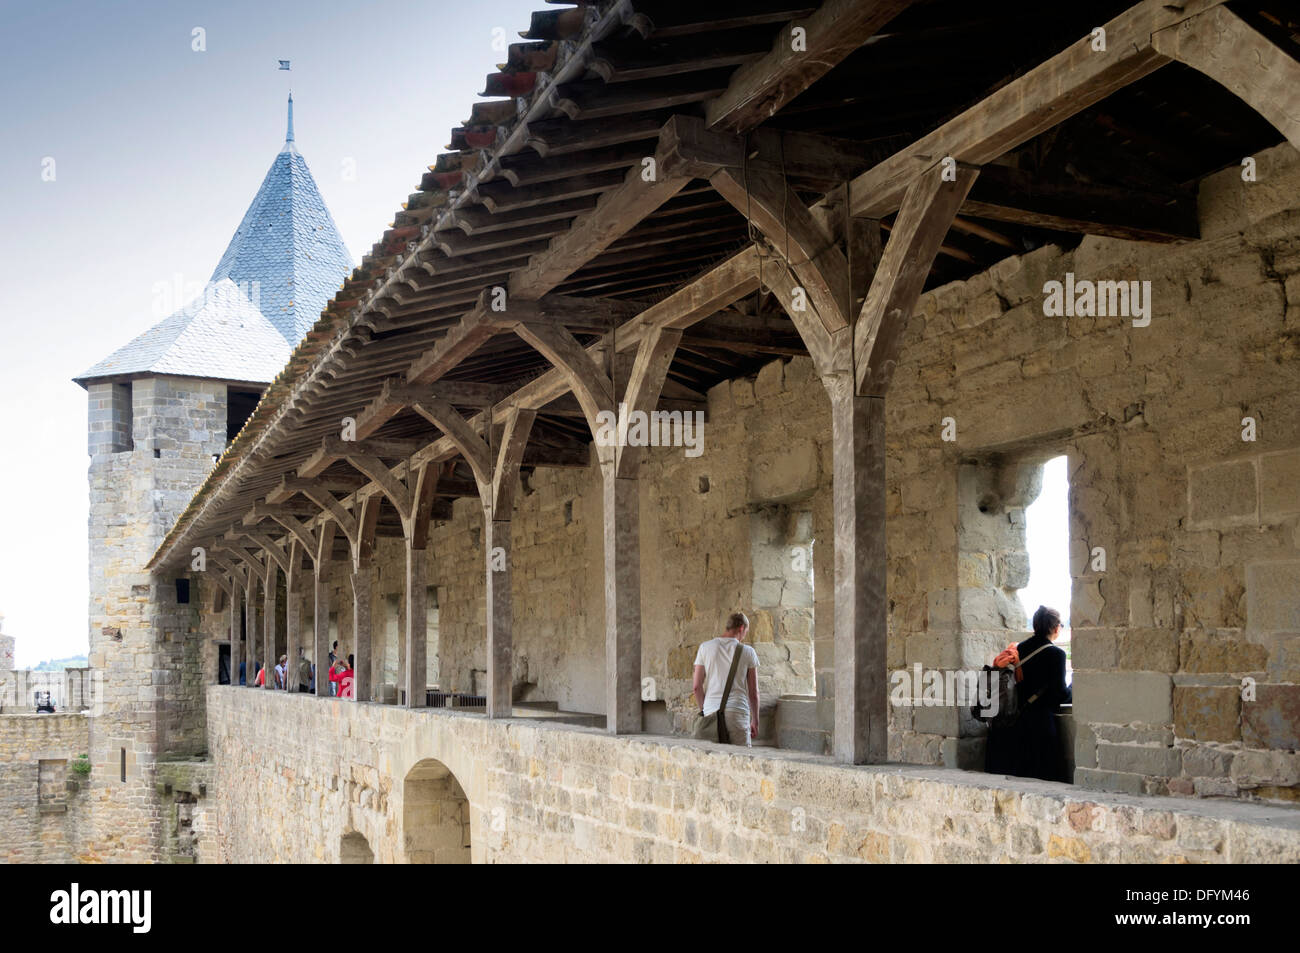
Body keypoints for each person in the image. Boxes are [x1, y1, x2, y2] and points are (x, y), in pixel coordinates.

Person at [985, 605, 1073, 782]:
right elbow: (1058, 696)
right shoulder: (1056, 654)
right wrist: (1072, 689)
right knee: (1043, 780)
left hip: (1011, 727)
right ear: (1056, 628)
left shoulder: (1017, 650)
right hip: (1037, 727)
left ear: (1035, 626)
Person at [692, 612, 760, 746]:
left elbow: (696, 687)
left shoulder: (705, 647)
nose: (744, 635)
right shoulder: (748, 652)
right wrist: (755, 721)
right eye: (745, 631)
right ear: (741, 628)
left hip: (711, 712)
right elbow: (753, 692)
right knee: (741, 761)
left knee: (711, 761)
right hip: (737, 713)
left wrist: (705, 710)